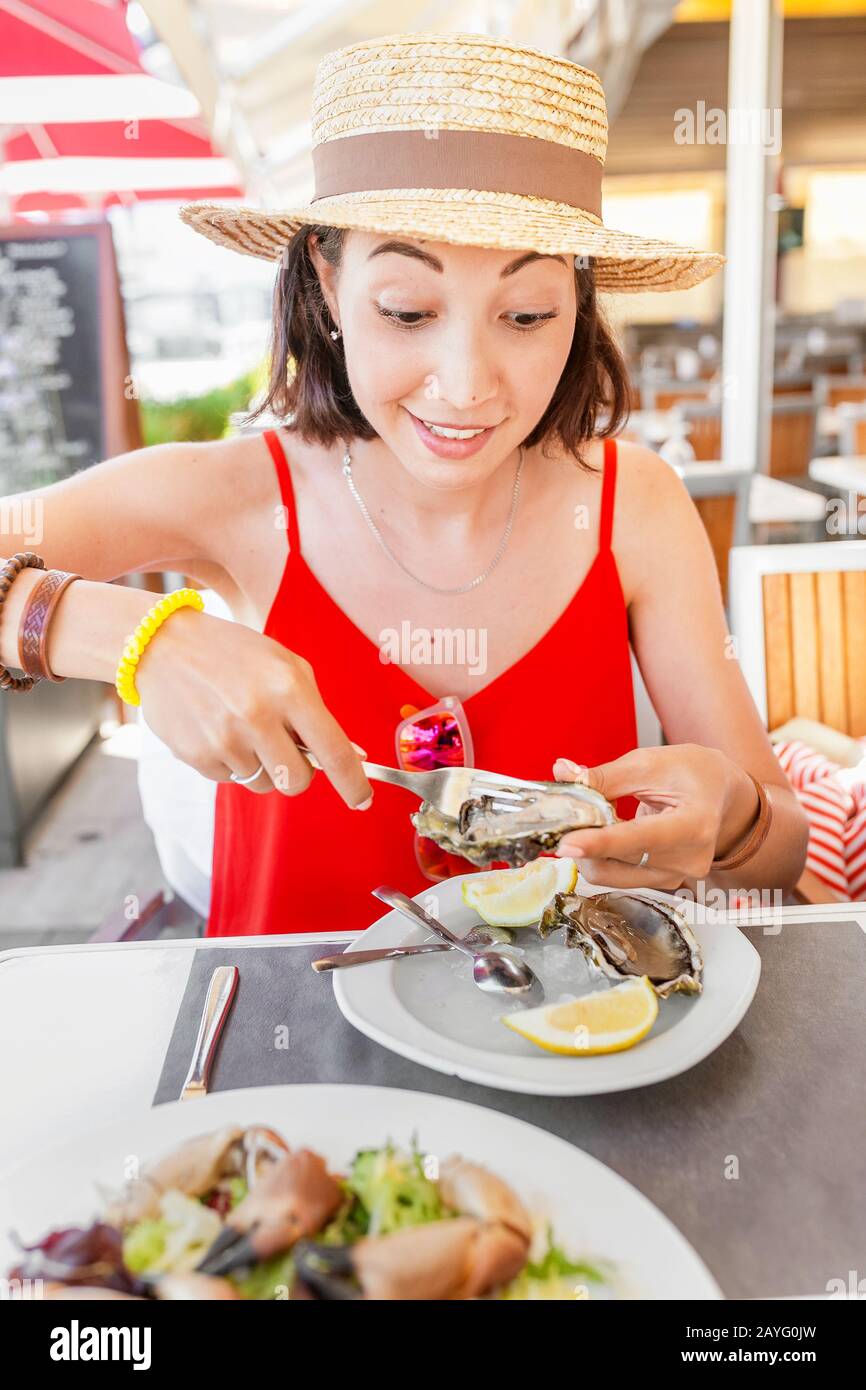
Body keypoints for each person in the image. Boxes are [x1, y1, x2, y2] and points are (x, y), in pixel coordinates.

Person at [0, 33, 808, 936]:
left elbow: (781, 855)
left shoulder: (636, 503)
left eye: (527, 315)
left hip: (571, 1052)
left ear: (580, 303)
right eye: (408, 311)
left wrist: (731, 818)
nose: (465, 385)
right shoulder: (233, 494)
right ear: (328, 277)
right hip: (293, 1065)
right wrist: (137, 639)